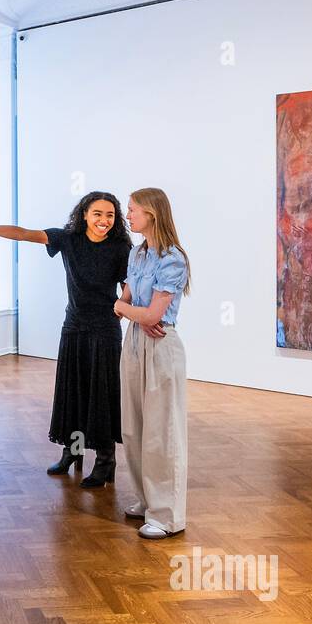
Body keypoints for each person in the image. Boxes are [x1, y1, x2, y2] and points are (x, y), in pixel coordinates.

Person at [0, 191, 131, 487]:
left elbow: (130, 285)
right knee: (73, 391)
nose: (104, 220)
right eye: (97, 213)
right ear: (84, 214)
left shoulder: (120, 246)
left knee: (101, 394)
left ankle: (105, 461)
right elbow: (22, 233)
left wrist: (120, 308)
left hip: (105, 330)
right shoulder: (67, 239)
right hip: (73, 326)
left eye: (110, 215)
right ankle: (72, 452)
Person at [114, 188, 191, 539]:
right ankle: (146, 500)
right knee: (133, 427)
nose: (127, 215)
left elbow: (152, 314)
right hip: (133, 341)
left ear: (152, 214)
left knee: (162, 432)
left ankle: (167, 515)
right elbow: (129, 304)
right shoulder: (137, 254)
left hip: (161, 345)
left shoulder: (173, 259)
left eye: (132, 210)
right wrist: (132, 312)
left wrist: (128, 311)